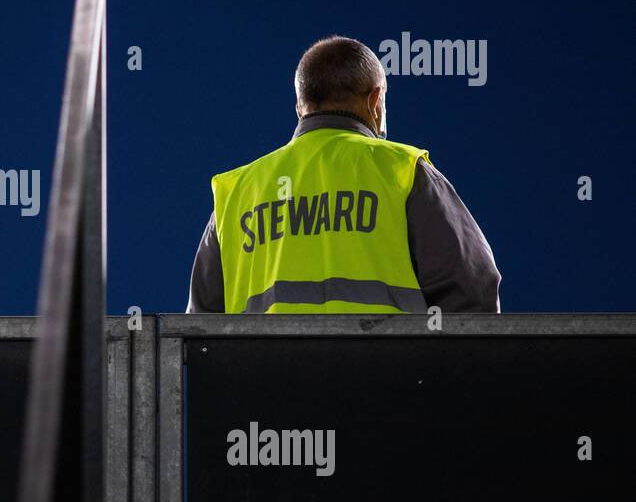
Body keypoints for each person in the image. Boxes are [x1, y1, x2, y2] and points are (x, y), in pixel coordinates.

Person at [187, 36, 500, 314]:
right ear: (375, 101)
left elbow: (200, 330)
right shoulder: (404, 170)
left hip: (261, 379)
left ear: (300, 107)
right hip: (395, 377)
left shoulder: (237, 191)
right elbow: (472, 290)